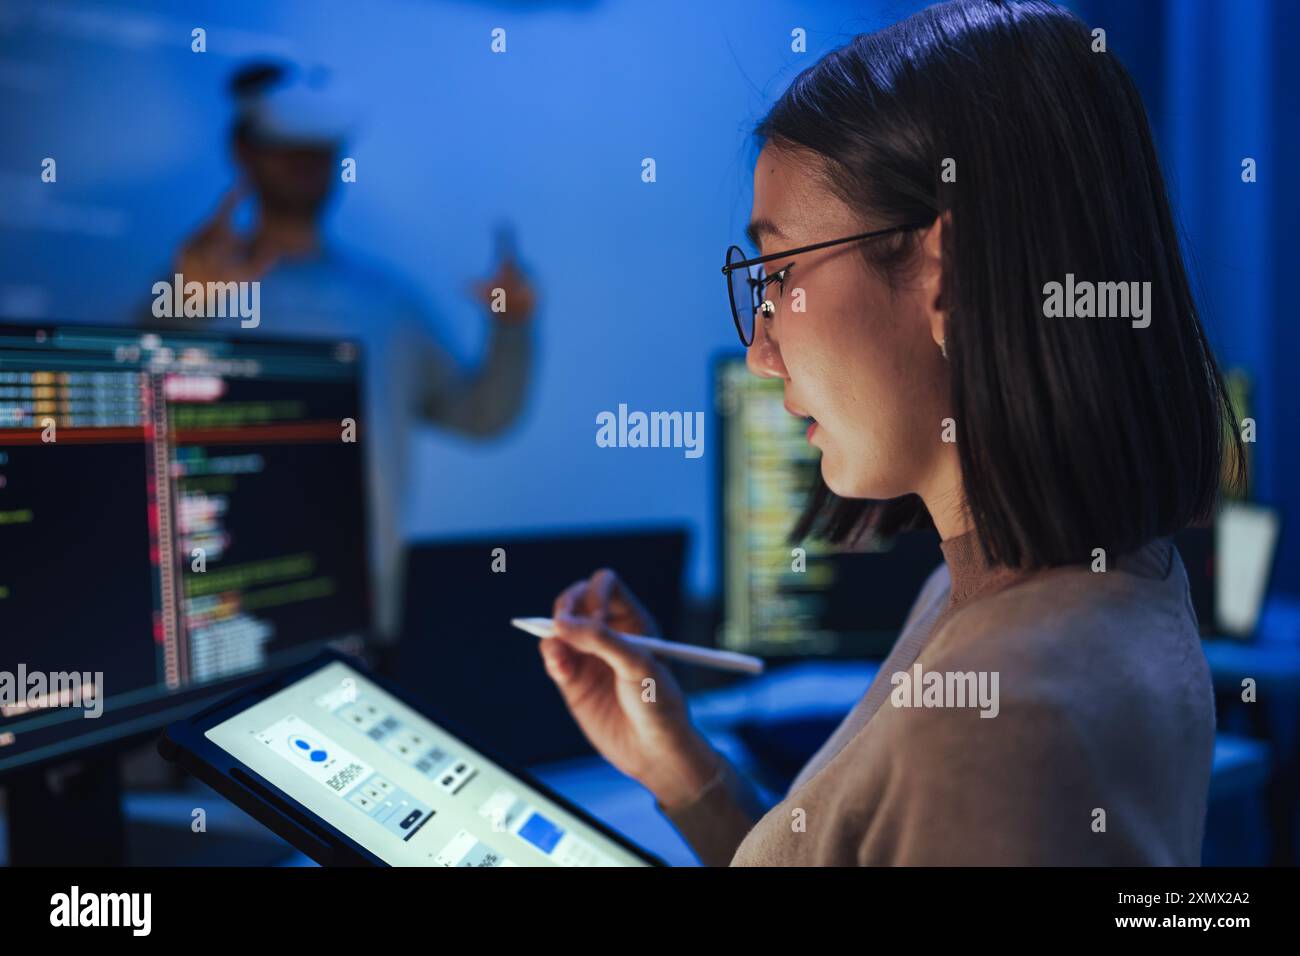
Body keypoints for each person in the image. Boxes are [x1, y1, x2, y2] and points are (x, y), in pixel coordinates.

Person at [538, 0, 1242, 865]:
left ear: (944, 272)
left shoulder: (1007, 716)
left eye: (779, 273)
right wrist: (679, 767)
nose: (760, 353)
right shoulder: (1010, 591)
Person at [154, 61, 535, 641]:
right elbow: (132, 433)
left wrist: (512, 327)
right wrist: (180, 309)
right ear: (244, 150)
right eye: (286, 142)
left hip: (360, 630)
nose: (305, 159)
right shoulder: (194, 288)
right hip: (215, 628)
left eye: (321, 146)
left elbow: (479, 416)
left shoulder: (387, 305)